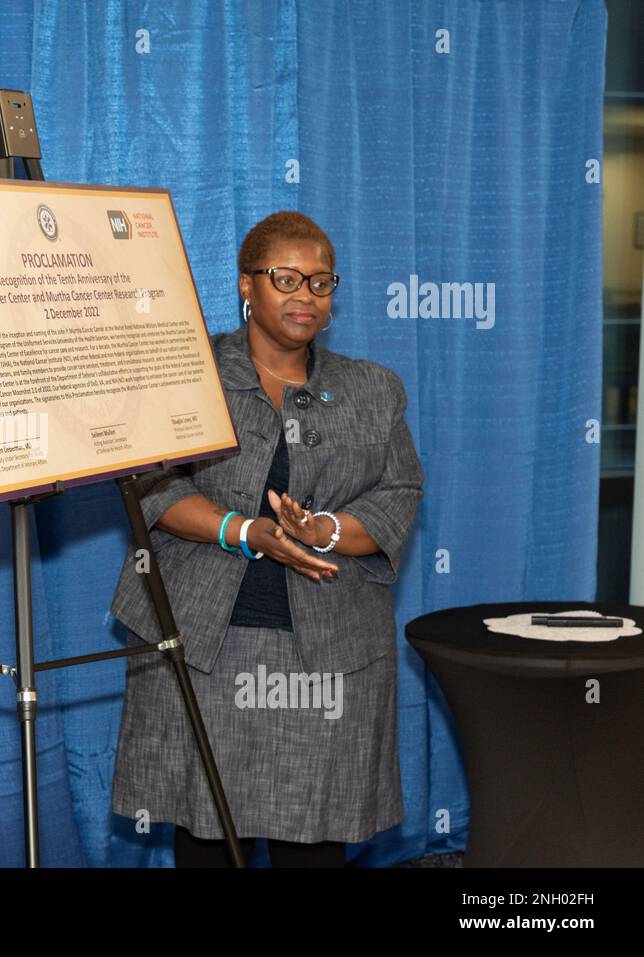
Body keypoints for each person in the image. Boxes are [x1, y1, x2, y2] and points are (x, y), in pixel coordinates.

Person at [109, 211, 424, 867]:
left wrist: (327, 529)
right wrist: (247, 530)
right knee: (206, 831)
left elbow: (398, 495)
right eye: (286, 278)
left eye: (320, 281)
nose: (306, 295)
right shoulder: (187, 371)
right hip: (204, 647)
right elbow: (151, 486)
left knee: (313, 840)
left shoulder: (373, 388)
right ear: (246, 285)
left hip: (329, 653)